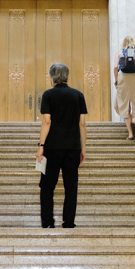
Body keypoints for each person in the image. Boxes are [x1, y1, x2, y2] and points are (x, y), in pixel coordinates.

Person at [36, 63, 87, 229]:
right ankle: (69, 222)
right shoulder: (78, 95)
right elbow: (82, 124)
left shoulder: (48, 95)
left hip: (52, 147)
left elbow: (46, 121)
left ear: (52, 77)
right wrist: (83, 148)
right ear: (67, 76)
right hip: (73, 147)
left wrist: (41, 145)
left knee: (47, 186)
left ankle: (48, 222)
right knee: (71, 185)